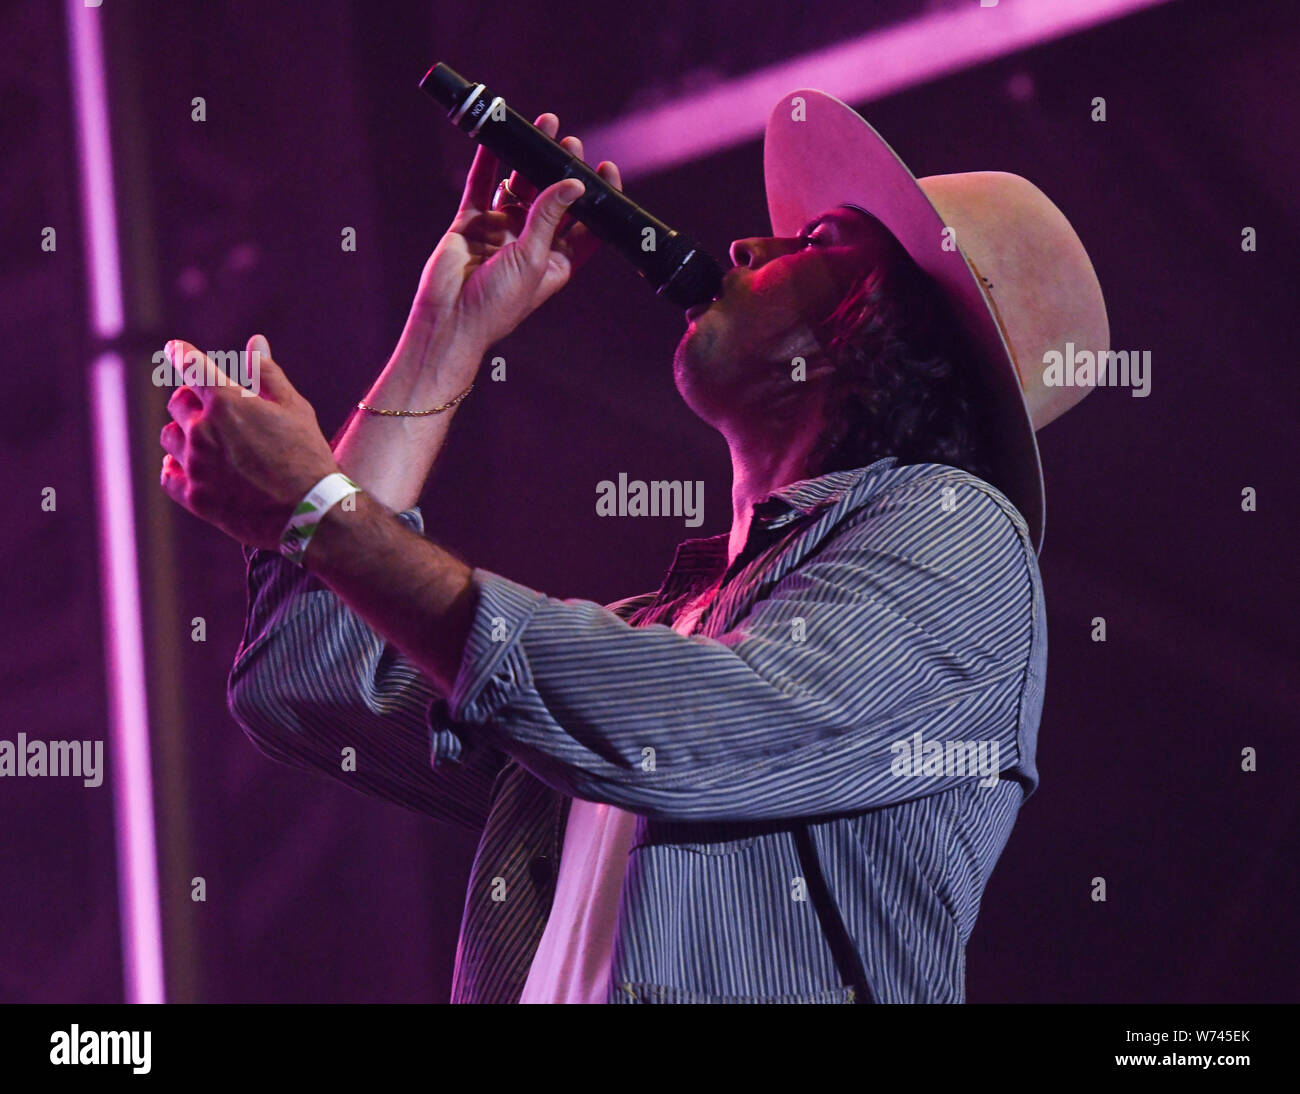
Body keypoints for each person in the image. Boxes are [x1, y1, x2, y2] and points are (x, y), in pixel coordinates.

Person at [159, 90, 1108, 1003]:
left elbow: (688, 724)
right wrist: (445, 340)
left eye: (817, 243)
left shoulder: (961, 535)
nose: (747, 242)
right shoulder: (664, 632)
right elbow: (316, 683)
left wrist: (322, 509)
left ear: (877, 329)